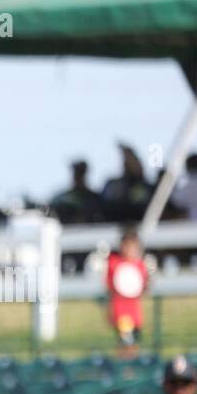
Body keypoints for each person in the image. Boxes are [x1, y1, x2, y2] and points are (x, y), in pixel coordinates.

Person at [106, 229, 148, 358]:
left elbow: (143, 286)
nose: (130, 250)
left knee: (134, 345)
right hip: (122, 315)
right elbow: (109, 286)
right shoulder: (114, 263)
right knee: (126, 346)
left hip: (135, 315)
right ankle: (125, 372)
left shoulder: (140, 265)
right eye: (127, 246)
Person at [101, 144, 155, 222]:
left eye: (132, 160)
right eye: (126, 160)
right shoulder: (113, 185)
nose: (129, 164)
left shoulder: (147, 187)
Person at [49, 160, 106, 225]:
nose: (78, 177)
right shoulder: (62, 199)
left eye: (80, 173)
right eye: (77, 173)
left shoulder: (95, 198)